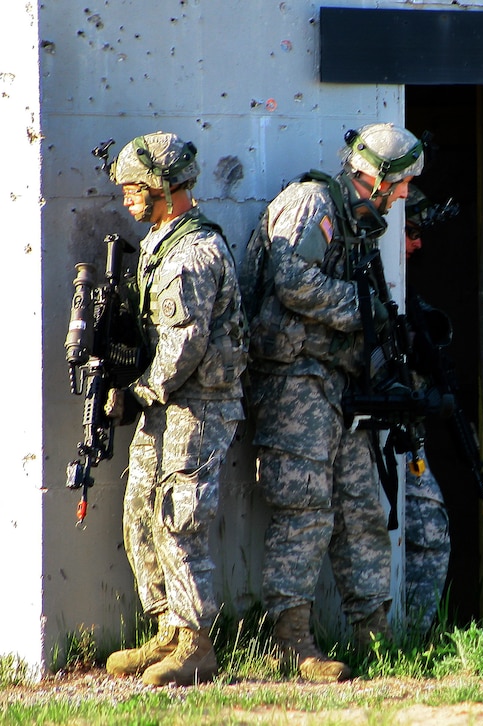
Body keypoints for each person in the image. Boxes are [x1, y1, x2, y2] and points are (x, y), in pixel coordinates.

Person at [243, 122, 424, 682]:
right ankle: (291, 643)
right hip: (294, 379)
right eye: (400, 184)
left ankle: (375, 635)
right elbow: (291, 279)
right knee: (304, 511)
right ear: (376, 177)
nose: (404, 195)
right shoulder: (314, 202)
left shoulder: (359, 223)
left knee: (361, 507)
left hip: (338, 382)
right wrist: (363, 310)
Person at [102, 132, 248, 686]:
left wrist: (138, 392)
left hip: (198, 405)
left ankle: (195, 645)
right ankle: (167, 628)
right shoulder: (160, 243)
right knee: (141, 513)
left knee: (178, 520)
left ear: (165, 187)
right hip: (168, 403)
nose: (127, 197)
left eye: (135, 187)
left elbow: (183, 346)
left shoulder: (191, 254)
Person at [401, 185, 454, 634]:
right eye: (411, 232)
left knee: (430, 536)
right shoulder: (366, 282)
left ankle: (412, 641)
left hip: (405, 437)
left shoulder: (405, 292)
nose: (418, 244)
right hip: (371, 436)